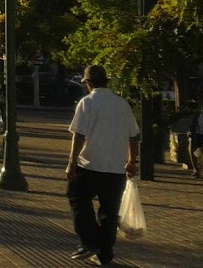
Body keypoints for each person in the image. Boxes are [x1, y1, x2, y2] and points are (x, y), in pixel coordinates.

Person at [65, 64, 139, 267]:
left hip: (89, 164)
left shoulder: (87, 102)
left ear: (88, 82)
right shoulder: (122, 104)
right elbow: (134, 136)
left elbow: (79, 135)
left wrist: (71, 163)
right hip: (116, 168)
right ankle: (105, 253)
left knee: (78, 199)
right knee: (109, 212)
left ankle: (89, 242)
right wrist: (132, 161)